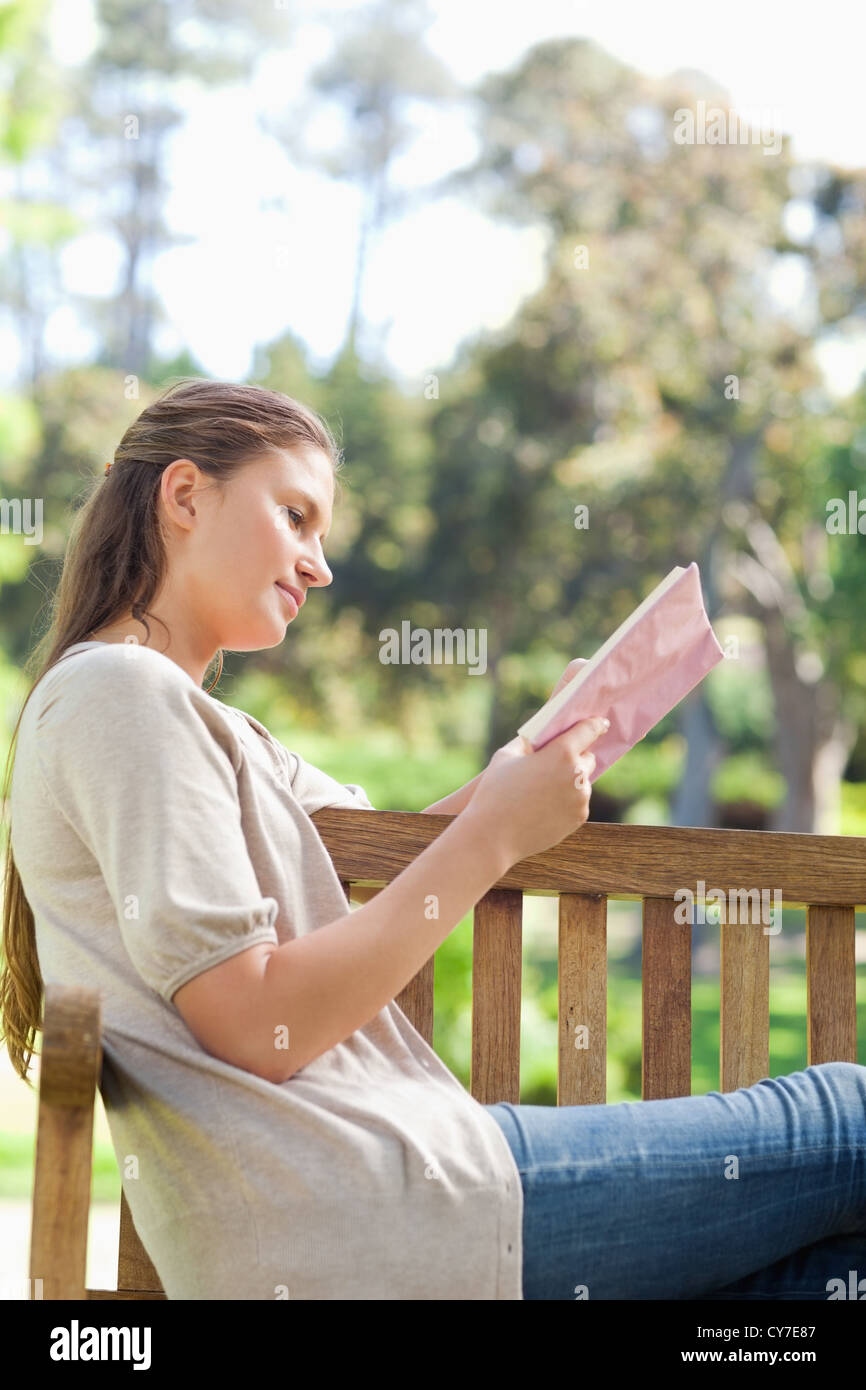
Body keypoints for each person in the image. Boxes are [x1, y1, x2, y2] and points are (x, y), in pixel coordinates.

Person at [1, 377, 863, 1301]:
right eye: (296, 516)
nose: (319, 565)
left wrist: (536, 761)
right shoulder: (120, 697)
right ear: (183, 496)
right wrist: (496, 835)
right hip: (360, 1206)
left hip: (360, 1203)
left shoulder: (208, 730)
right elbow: (256, 1025)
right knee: (850, 1118)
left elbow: (403, 842)